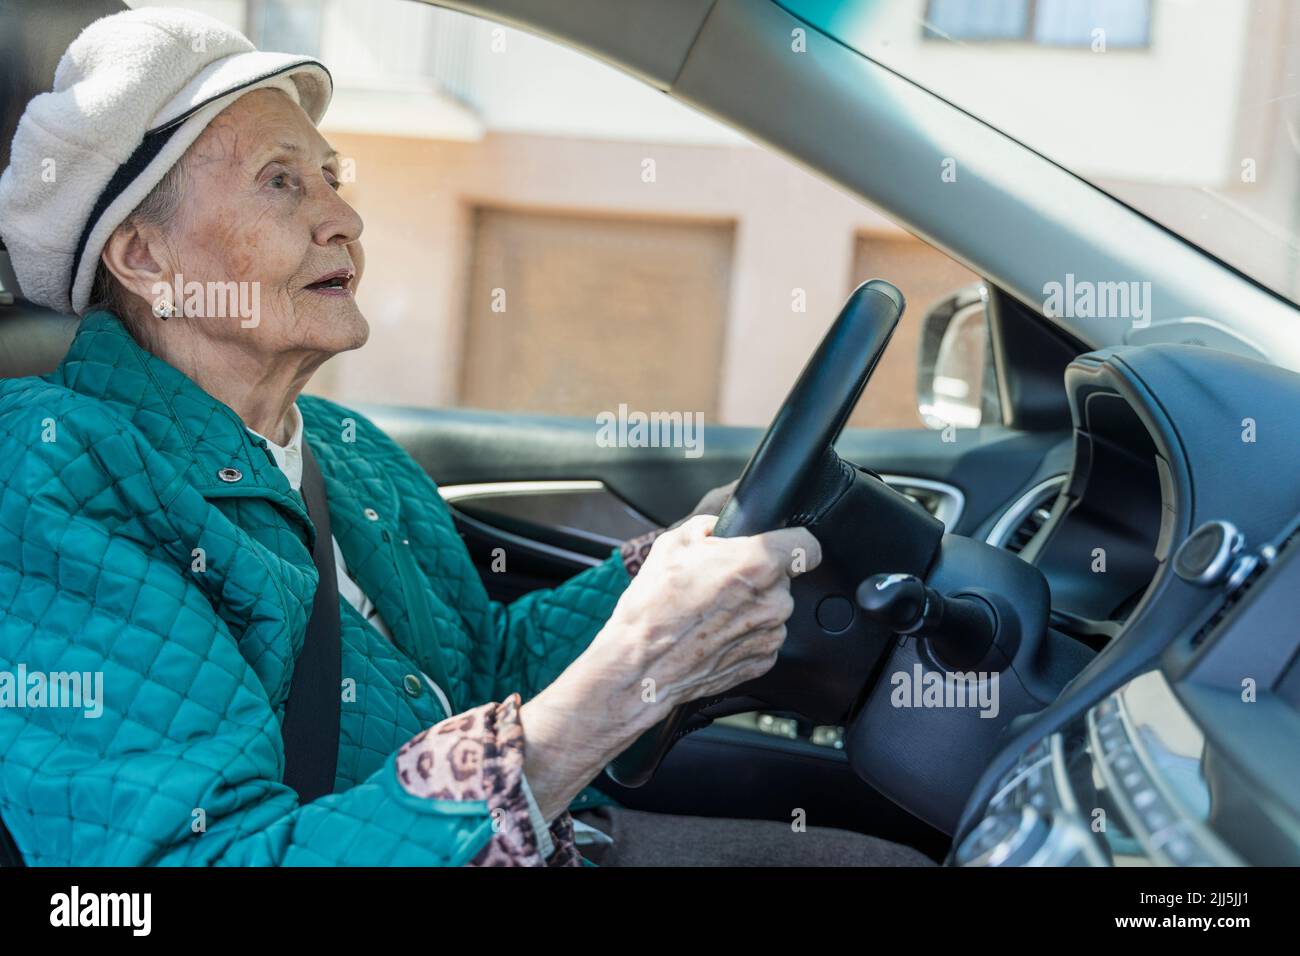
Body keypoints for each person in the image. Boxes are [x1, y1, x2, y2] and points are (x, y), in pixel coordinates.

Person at [0, 7, 931, 866]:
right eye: (280, 183)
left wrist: (664, 585)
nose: (344, 217)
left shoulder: (342, 447)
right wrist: (624, 681)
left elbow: (478, 671)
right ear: (145, 257)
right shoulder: (54, 476)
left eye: (330, 176)